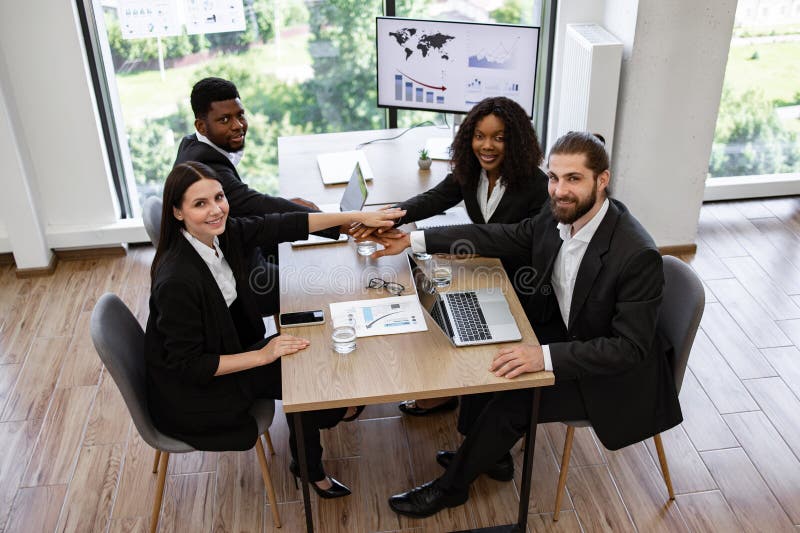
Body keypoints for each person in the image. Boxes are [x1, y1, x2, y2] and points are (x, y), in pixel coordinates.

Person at [369, 132, 683, 518]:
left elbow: (628, 349)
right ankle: (490, 456)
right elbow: (500, 235)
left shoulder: (636, 254)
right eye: (553, 177)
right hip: (573, 331)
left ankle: (452, 489)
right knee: (488, 354)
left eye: (573, 178)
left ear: (602, 180)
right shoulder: (559, 214)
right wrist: (414, 240)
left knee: (515, 398)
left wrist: (543, 357)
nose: (559, 190)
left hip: (613, 372)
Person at [145, 161, 404, 499]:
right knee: (308, 380)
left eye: (219, 197)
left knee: (308, 351)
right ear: (177, 212)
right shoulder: (178, 279)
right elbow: (188, 365)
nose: (216, 210)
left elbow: (285, 224)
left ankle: (323, 427)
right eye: (200, 204)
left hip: (226, 350)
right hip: (198, 392)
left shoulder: (221, 235)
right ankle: (310, 463)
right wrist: (263, 355)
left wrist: (351, 218)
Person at [352, 96, 549, 416]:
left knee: (448, 313)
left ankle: (470, 413)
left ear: (517, 141)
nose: (487, 146)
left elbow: (502, 238)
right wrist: (387, 218)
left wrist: (415, 240)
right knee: (426, 302)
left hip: (522, 286)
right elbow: (434, 199)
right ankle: (446, 391)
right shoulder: (472, 171)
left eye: (499, 137)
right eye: (479, 136)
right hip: (487, 268)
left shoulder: (537, 187)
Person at [174, 77, 341, 315]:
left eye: (240, 115)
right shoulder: (206, 165)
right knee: (322, 283)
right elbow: (252, 204)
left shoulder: (193, 143)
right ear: (201, 126)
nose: (238, 125)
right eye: (224, 119)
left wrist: (318, 218)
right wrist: (339, 223)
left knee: (308, 255)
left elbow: (247, 203)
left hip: (240, 245)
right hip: (242, 276)